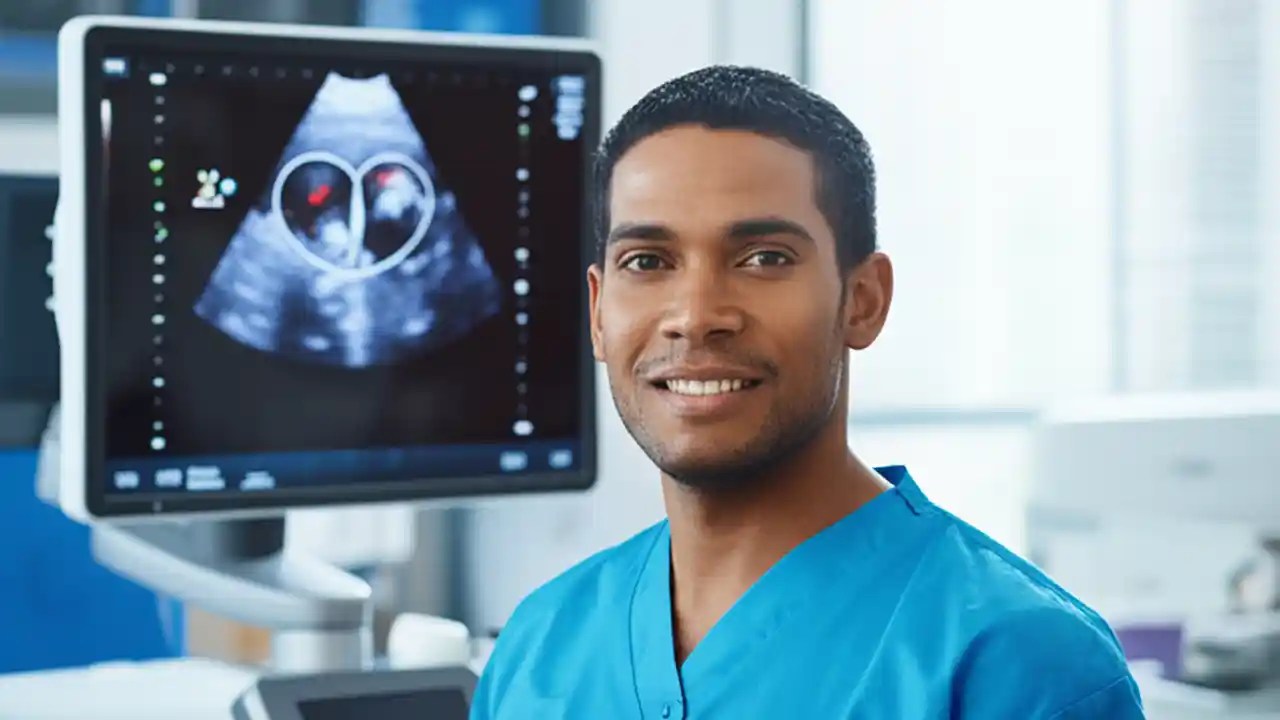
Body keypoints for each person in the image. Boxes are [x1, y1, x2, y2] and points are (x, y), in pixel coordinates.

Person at [471, 65, 1145, 719]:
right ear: (597, 312)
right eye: (647, 261)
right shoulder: (538, 648)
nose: (696, 315)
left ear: (863, 300)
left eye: (764, 258)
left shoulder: (1023, 666)